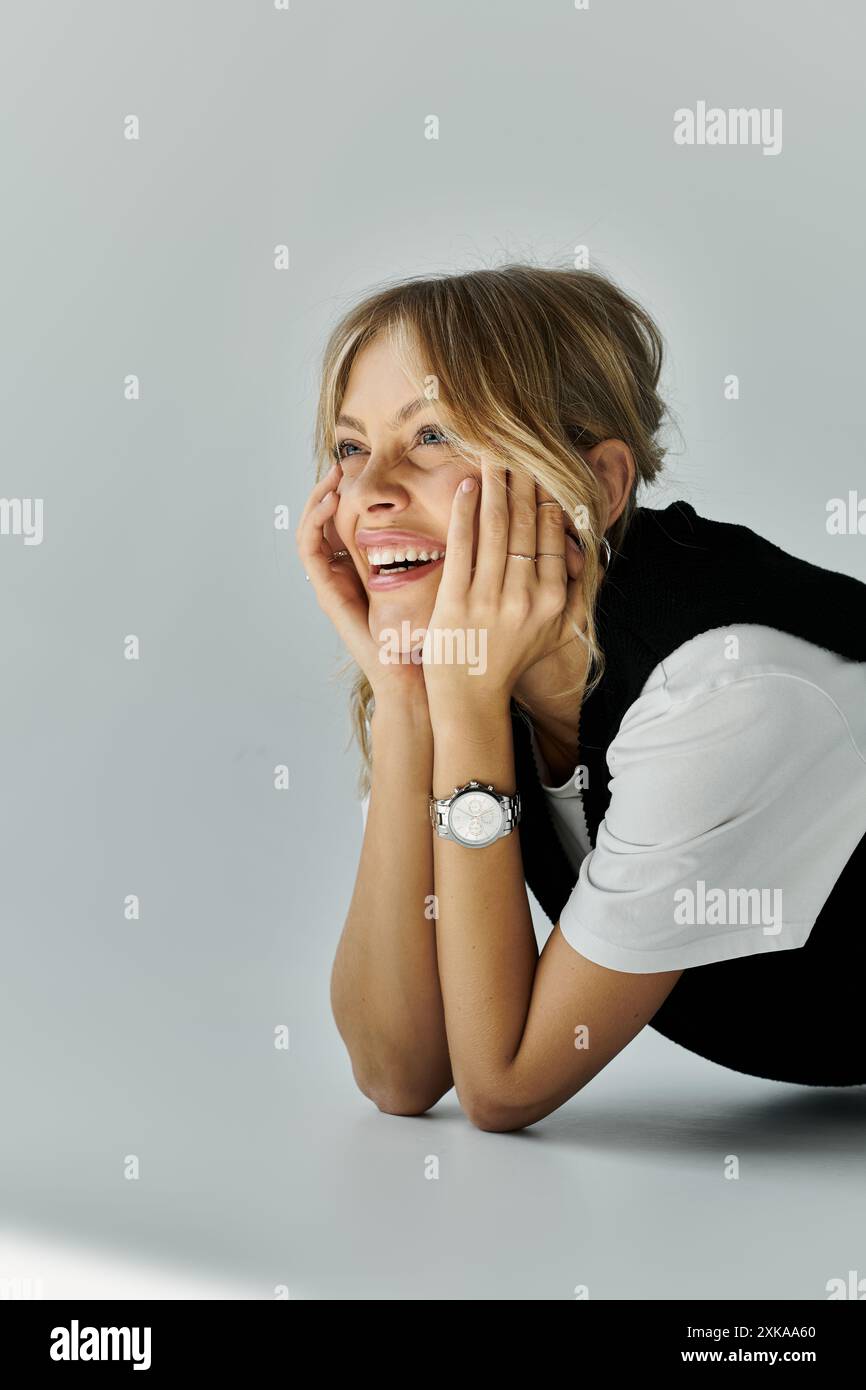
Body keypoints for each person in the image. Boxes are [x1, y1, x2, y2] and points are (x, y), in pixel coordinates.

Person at [296, 264, 866, 1132]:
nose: (371, 491)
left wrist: (466, 710)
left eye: (435, 436)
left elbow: (503, 1086)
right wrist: (407, 698)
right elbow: (400, 1070)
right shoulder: (486, 668)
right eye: (349, 447)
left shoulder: (724, 687)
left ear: (595, 486)